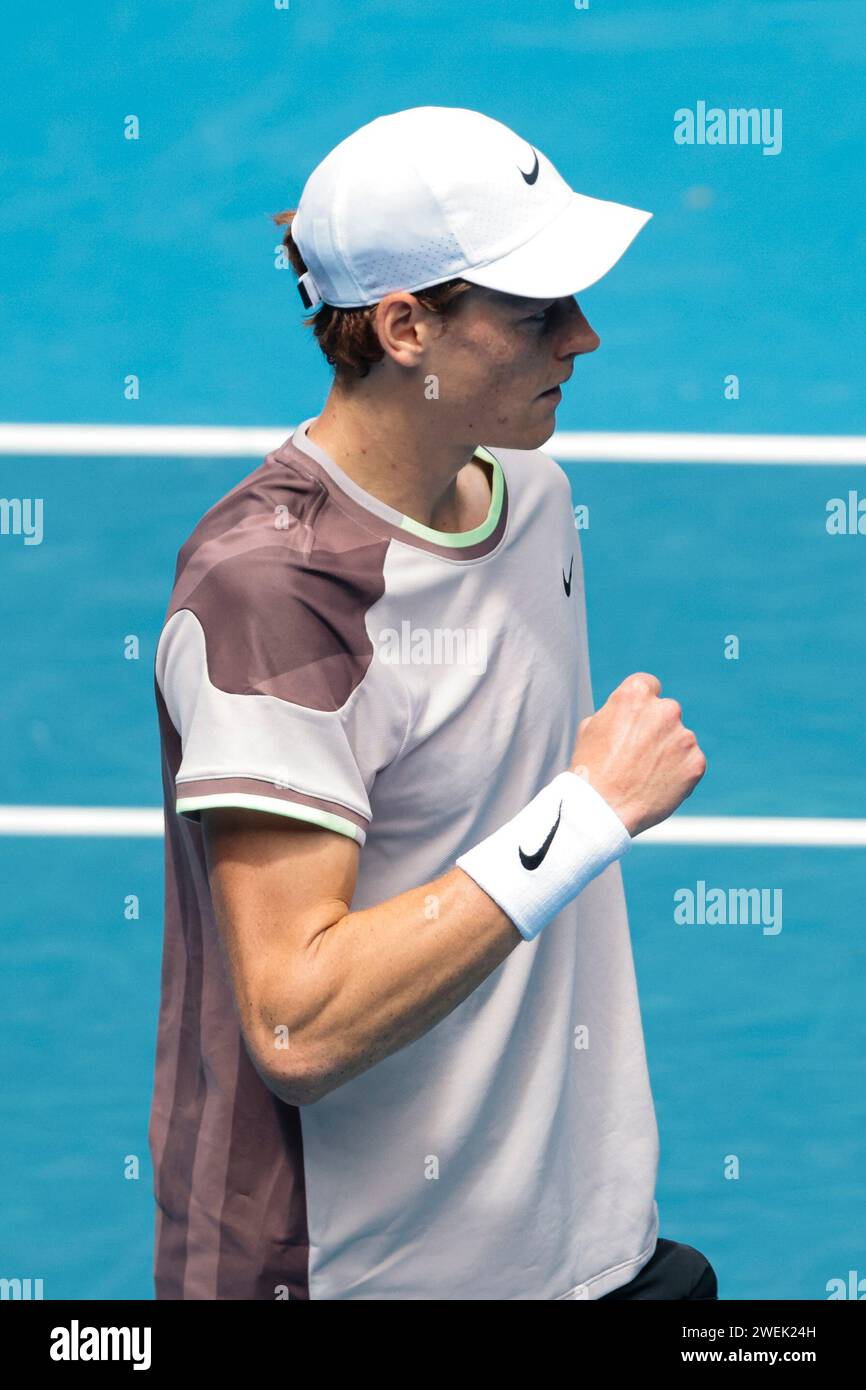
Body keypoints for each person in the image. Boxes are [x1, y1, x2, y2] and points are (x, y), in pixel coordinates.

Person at [149, 105, 713, 1301]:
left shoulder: (536, 501)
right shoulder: (274, 589)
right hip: (363, 1275)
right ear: (406, 326)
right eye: (535, 311)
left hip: (588, 1250)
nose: (585, 336)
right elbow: (299, 1024)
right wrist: (588, 814)